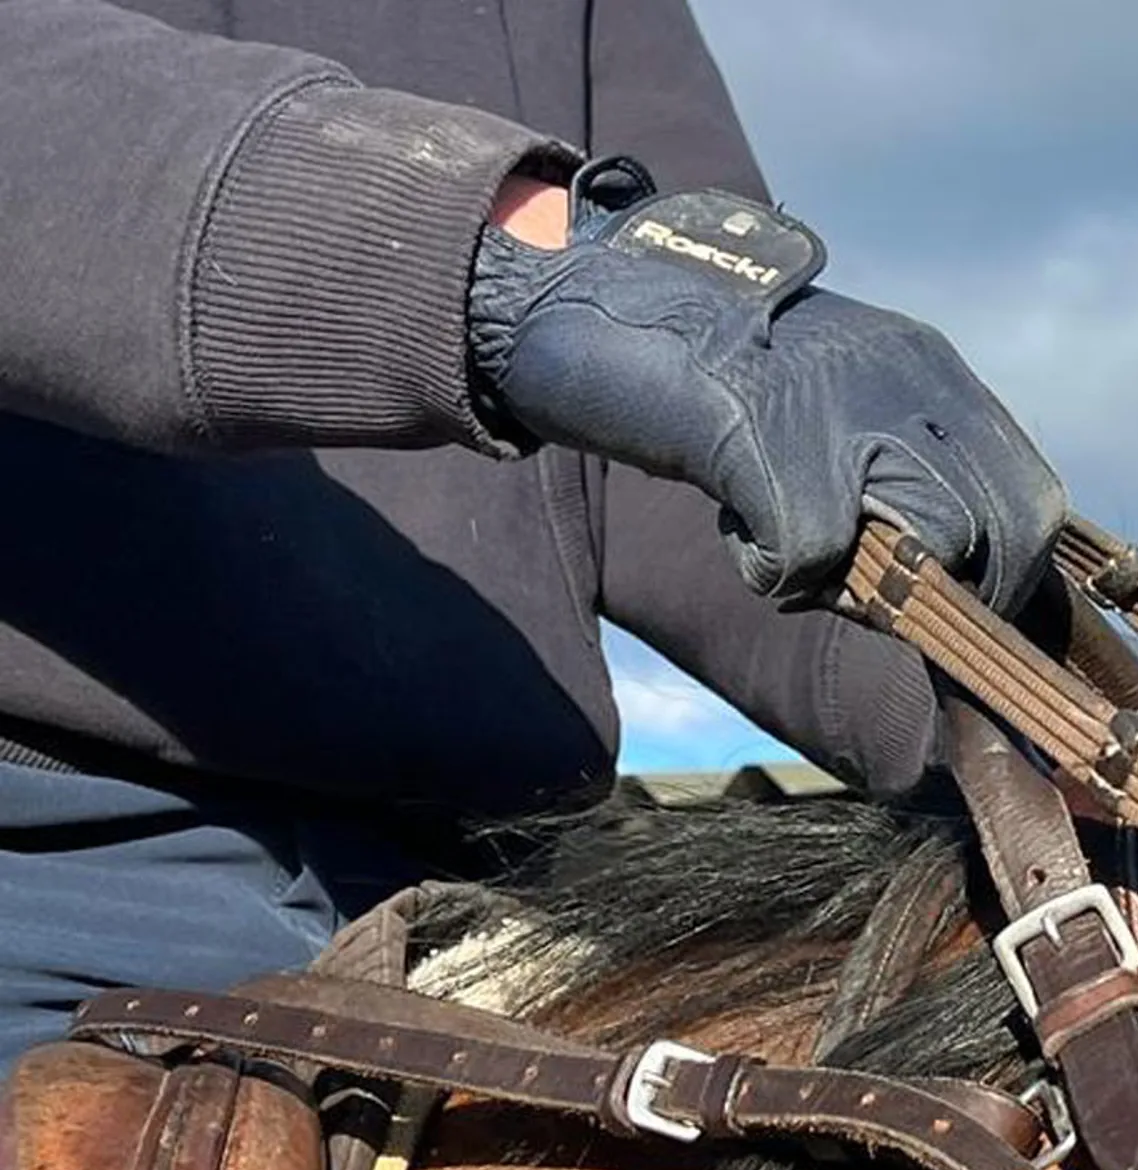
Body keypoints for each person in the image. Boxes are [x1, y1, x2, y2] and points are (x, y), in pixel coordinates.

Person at [0, 0, 1065, 1070]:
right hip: (53, 867)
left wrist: (1039, 698)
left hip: (477, 904)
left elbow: (676, 444)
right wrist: (497, 271)